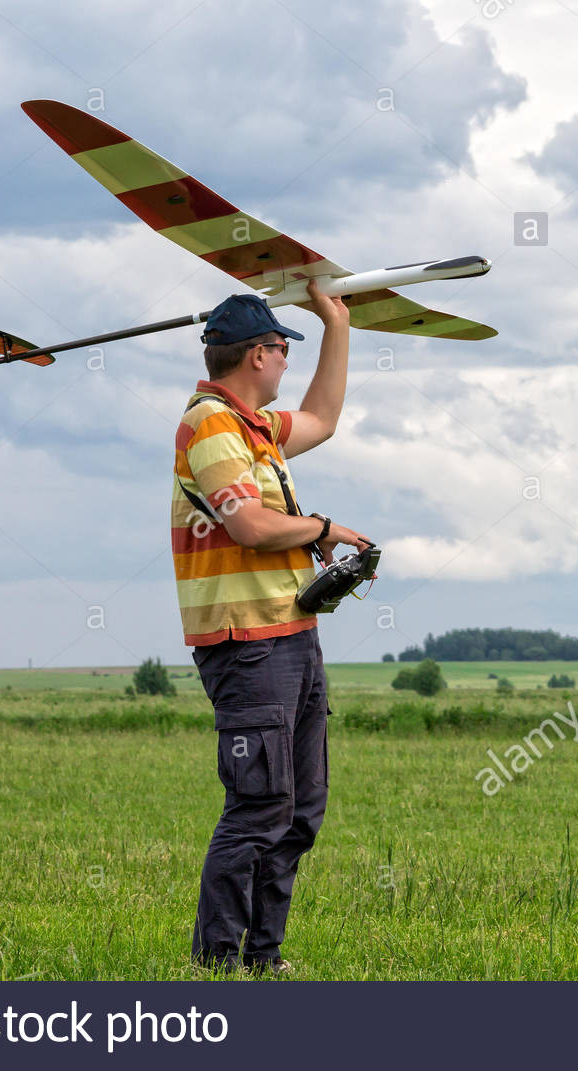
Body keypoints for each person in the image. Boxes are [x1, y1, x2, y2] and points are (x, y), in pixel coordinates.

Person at [171, 279, 371, 975]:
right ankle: (217, 961)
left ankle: (265, 956)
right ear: (259, 353)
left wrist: (336, 323)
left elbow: (322, 416)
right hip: (246, 645)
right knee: (259, 806)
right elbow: (249, 524)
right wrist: (320, 527)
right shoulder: (210, 424)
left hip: (291, 636)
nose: (288, 360)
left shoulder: (255, 428)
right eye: (285, 348)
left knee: (299, 809)